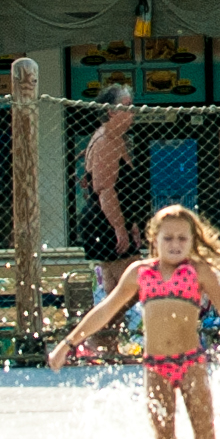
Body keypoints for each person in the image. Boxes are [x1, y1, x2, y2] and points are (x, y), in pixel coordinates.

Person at [56, 199, 220, 439]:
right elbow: (104, 311)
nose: (175, 244)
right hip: (155, 368)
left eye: (182, 238)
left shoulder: (198, 272)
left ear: (192, 241)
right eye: (168, 238)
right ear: (154, 240)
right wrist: (67, 344)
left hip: (191, 364)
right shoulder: (140, 273)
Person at [80, 81, 141, 300]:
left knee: (114, 290)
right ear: (111, 111)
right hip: (106, 222)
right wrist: (119, 228)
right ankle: (126, 331)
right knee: (130, 289)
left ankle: (111, 331)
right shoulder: (106, 139)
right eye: (126, 106)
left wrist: (131, 222)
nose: (132, 111)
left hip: (113, 219)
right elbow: (105, 189)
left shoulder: (116, 139)